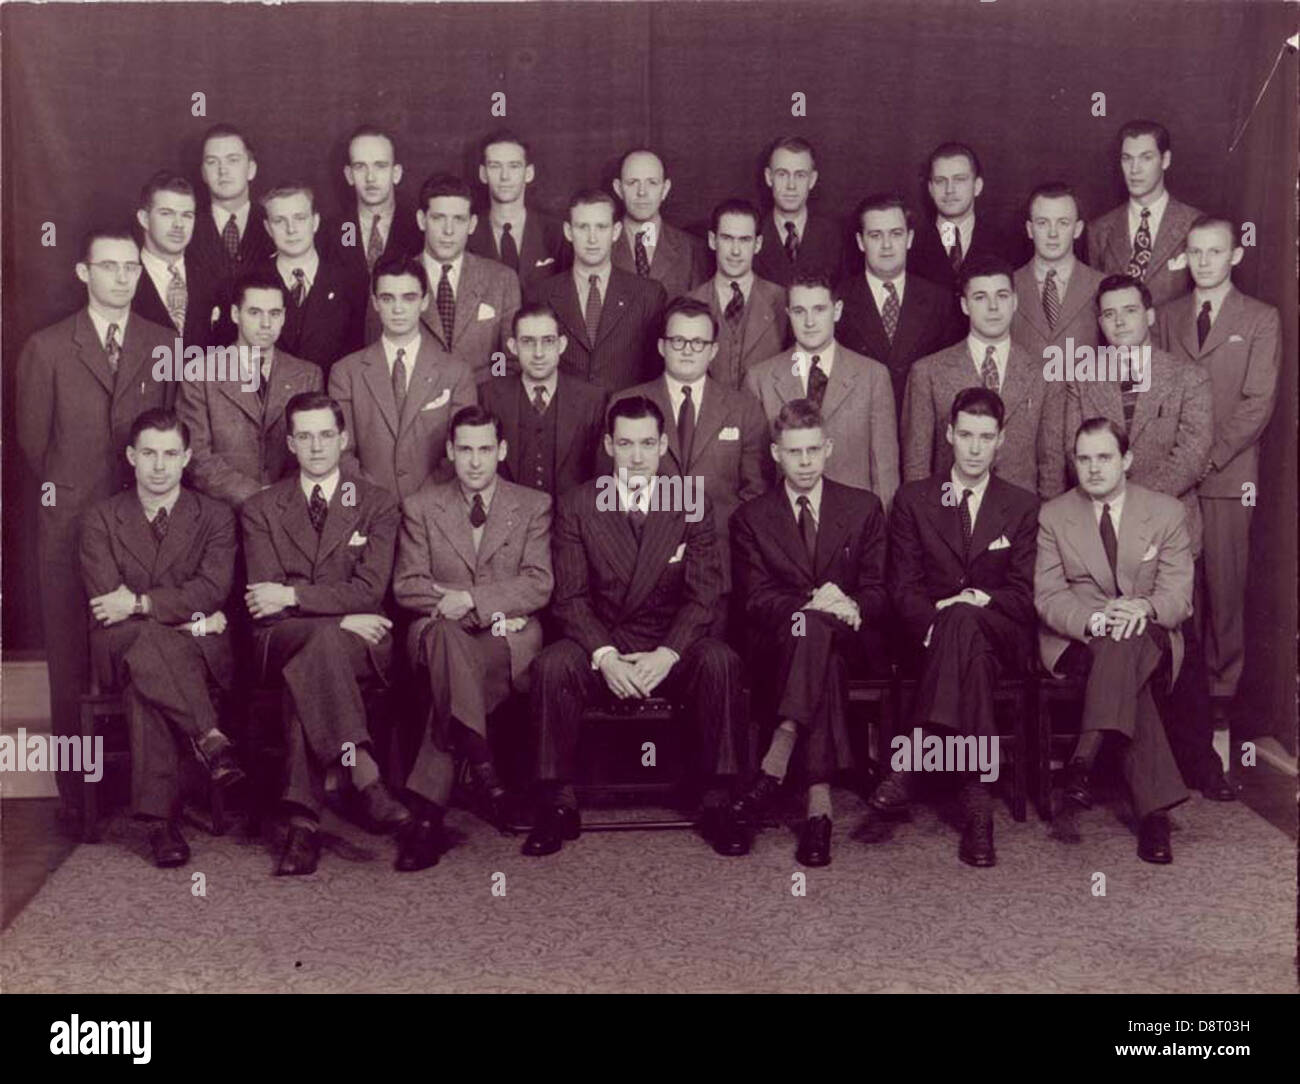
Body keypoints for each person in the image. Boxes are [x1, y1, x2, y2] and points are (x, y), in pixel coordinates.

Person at [524, 396, 746, 857]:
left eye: (648, 444)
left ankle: (718, 799)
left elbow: (704, 595)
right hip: (603, 642)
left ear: (664, 444)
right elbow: (570, 598)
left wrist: (667, 654)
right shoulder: (580, 503)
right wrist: (605, 658)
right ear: (609, 445)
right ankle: (555, 801)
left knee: (720, 661)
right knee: (550, 666)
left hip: (669, 643)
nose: (638, 456)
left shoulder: (690, 501)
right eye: (626, 444)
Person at [16, 227, 176, 821]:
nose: (121, 277)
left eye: (131, 266)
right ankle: (78, 797)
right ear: (83, 273)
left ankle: (149, 792)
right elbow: (35, 447)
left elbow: (169, 433)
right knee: (71, 660)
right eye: (108, 267)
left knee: (144, 646)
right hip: (69, 527)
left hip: (144, 523)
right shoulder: (48, 346)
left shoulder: (163, 343)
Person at [240, 392, 409, 876]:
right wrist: (337, 616)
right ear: (290, 443)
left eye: (326, 435)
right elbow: (262, 603)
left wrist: (294, 596)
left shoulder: (376, 503)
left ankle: (302, 823)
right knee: (319, 646)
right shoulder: (261, 508)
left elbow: (370, 591)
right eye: (305, 437)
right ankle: (365, 776)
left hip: (358, 641)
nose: (316, 446)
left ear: (344, 439)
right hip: (279, 640)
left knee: (313, 662)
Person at [873, 388, 1039, 867]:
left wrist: (975, 601)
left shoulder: (1022, 505)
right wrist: (940, 621)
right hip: (930, 639)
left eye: (985, 437)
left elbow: (1024, 596)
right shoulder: (913, 499)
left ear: (1001, 441)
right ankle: (979, 803)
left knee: (965, 620)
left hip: (1001, 632)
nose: (974, 447)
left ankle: (912, 761)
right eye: (965, 435)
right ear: (948, 434)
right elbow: (901, 588)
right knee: (964, 638)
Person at [727, 399, 889, 867]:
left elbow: (880, 591)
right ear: (776, 452)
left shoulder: (862, 507)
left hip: (853, 638)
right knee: (822, 655)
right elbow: (754, 599)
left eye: (813, 451)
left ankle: (775, 761)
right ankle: (819, 812)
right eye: (794, 452)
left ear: (828, 449)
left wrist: (853, 604)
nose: (804, 462)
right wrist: (812, 606)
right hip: (781, 642)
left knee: (826, 643)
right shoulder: (751, 518)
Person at [392, 405, 554, 871]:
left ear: (501, 451)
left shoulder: (532, 505)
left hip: (505, 640)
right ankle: (485, 768)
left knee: (453, 668)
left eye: (486, 449)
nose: (476, 461)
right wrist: (478, 605)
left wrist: (470, 600)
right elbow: (408, 586)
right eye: (465, 450)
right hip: (441, 633)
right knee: (446, 640)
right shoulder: (422, 506)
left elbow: (539, 583)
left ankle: (427, 816)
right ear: (449, 452)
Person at [78, 409, 238, 867]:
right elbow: (107, 601)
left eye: (170, 454)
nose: (159, 465)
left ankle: (160, 824)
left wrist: (142, 605)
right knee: (145, 646)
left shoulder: (215, 516)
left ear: (188, 457)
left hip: (189, 650)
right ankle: (207, 735)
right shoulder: (100, 519)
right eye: (148, 453)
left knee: (146, 681)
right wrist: (179, 613)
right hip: (124, 642)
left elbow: (211, 590)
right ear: (131, 456)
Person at [1036, 418, 1192, 863]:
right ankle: (1154, 815)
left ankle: (1084, 757)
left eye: (1104, 458)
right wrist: (1095, 620)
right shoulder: (1054, 515)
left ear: (1126, 460)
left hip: (1149, 633)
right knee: (1123, 655)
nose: (1094, 469)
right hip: (1080, 639)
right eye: (1083, 459)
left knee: (1130, 639)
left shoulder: (1165, 511)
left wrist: (1142, 608)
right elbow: (1047, 595)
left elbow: (1179, 594)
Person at [1156, 216, 1281, 703]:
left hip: (1228, 475)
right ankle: (1179, 691)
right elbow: (1161, 389)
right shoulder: (1167, 316)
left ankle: (1222, 692)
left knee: (1226, 588)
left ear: (1236, 255)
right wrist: (1180, 461)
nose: (1204, 262)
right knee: (1181, 584)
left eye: (1215, 252)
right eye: (1196, 252)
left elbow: (1258, 402)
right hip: (1176, 477)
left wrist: (1207, 457)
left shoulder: (1259, 318)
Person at [612, 297, 767, 617]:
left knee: (713, 662)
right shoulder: (626, 402)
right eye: (678, 340)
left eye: (698, 343)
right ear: (661, 346)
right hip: (640, 568)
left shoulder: (743, 408)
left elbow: (754, 496)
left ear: (713, 350)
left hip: (718, 568)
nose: (687, 350)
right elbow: (612, 490)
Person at [903, 255, 1063, 498]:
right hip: (948, 515)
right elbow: (917, 463)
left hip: (1020, 519)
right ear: (965, 305)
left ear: (1015, 301)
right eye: (980, 297)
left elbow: (1051, 463)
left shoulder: (1043, 374)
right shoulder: (928, 372)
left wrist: (1043, 523)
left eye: (1002, 296)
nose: (993, 307)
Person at [329, 255, 476, 500]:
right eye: (388, 298)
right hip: (369, 510)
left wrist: (421, 504)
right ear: (375, 302)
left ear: (425, 301)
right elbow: (341, 452)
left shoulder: (456, 372)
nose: (398, 309)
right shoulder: (345, 372)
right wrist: (377, 502)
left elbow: (461, 450)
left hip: (436, 510)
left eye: (409, 298)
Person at [745, 274, 898, 508]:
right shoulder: (760, 378)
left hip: (854, 524)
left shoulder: (872, 376)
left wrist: (882, 532)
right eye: (799, 311)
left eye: (819, 309)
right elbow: (755, 472)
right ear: (787, 314)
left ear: (836, 311)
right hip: (784, 525)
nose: (809, 322)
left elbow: (884, 470)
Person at [177, 270, 323, 509]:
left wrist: (282, 498)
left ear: (284, 316)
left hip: (290, 511)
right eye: (255, 313)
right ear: (235, 314)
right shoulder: (199, 373)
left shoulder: (308, 375)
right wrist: (255, 496)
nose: (266, 324)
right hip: (222, 514)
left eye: (274, 313)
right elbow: (196, 457)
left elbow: (314, 452)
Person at [836, 193, 963, 416]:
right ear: (860, 242)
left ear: (910, 238)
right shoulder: (838, 299)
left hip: (921, 426)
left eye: (896, 234)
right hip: (859, 427)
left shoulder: (939, 300)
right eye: (875, 235)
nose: (886, 245)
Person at [527, 189, 666, 393]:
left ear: (616, 231)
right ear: (568, 231)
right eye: (583, 227)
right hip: (564, 417)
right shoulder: (541, 294)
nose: (592, 238)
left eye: (601, 227)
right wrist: (499, 373)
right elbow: (511, 359)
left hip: (629, 417)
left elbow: (657, 370)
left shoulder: (648, 294)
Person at [479, 301, 608, 498]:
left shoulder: (593, 400)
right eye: (528, 341)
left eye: (548, 341)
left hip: (572, 521)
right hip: (510, 521)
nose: (538, 353)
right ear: (513, 346)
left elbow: (599, 475)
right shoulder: (488, 397)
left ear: (561, 344)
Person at [416, 173, 521, 385]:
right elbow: (381, 359)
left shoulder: (501, 279)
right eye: (438, 218)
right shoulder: (393, 280)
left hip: (481, 407)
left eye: (459, 219)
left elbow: (508, 360)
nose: (448, 231)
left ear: (472, 224)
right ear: (421, 220)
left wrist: (487, 398)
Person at [1086, 119, 1201, 308]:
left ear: (1165, 160)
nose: (1134, 169)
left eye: (1146, 158)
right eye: (1127, 158)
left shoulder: (1195, 223)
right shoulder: (1099, 230)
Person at [261, 181, 366, 379]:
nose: (291, 229)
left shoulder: (350, 282)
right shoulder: (251, 281)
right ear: (268, 228)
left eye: (299, 218)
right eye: (279, 221)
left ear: (315, 222)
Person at [688, 198, 790, 390]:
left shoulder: (782, 301)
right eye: (727, 238)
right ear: (712, 240)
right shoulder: (689, 303)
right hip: (709, 417)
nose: (735, 251)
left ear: (758, 244)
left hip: (767, 416)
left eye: (744, 240)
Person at [188, 124, 276, 345]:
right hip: (200, 362)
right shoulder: (185, 227)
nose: (222, 170)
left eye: (233, 160)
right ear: (203, 173)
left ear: (251, 169)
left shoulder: (277, 225)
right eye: (212, 162)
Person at [335, 126, 423, 343]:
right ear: (349, 175)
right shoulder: (327, 233)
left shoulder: (421, 229)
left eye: (380, 166)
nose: (370, 177)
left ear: (396, 173)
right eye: (360, 167)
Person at [1010, 182, 1105, 381]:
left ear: (1078, 229)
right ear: (1029, 229)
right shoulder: (1007, 287)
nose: (1052, 233)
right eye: (1043, 223)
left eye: (1063, 223)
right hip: (1023, 409)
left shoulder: (1102, 287)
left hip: (1085, 409)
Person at [907, 142, 1025, 302]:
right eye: (940, 181)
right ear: (930, 189)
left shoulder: (1008, 245)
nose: (949, 189)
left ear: (977, 186)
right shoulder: (910, 247)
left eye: (959, 179)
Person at [467, 129, 569, 291]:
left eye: (514, 166)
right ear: (483, 174)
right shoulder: (467, 233)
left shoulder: (557, 233)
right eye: (495, 166)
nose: (505, 176)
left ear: (528, 173)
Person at [132, 171, 222, 349]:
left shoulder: (213, 277)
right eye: (167, 213)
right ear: (144, 219)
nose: (179, 225)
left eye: (187, 215)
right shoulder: (123, 277)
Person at [611, 148, 709, 296]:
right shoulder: (598, 246)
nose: (642, 192)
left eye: (652, 182)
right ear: (618, 189)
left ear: (665, 189)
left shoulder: (693, 250)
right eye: (632, 183)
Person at [752, 136, 846, 287]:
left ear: (812, 179)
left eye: (800, 175)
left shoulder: (836, 236)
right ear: (769, 178)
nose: (791, 185)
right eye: (782, 174)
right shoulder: (751, 233)